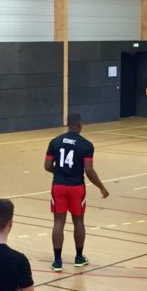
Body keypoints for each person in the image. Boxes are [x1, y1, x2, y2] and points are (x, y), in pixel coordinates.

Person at [44, 112, 109, 272]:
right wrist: (101, 186)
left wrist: (59, 172)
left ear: (67, 124)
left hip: (58, 186)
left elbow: (47, 166)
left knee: (58, 222)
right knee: (78, 222)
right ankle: (79, 258)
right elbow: (89, 171)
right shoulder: (86, 145)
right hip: (76, 187)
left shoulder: (55, 142)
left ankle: (57, 261)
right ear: (80, 124)